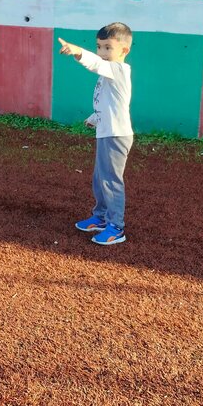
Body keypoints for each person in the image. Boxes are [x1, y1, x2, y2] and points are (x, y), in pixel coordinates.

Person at [58, 23, 133, 246]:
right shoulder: (108, 74)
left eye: (108, 47)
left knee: (111, 181)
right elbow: (110, 103)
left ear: (124, 51)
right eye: (99, 47)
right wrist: (94, 117)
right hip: (106, 132)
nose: (102, 53)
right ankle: (100, 217)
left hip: (116, 136)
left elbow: (96, 64)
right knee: (100, 179)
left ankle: (116, 228)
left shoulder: (118, 70)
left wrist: (79, 52)